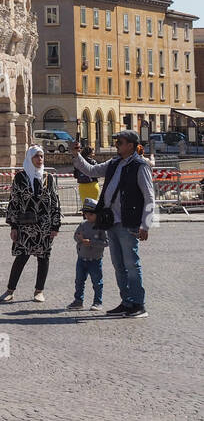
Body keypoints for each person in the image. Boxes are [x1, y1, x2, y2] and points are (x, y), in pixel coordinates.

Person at [70, 131, 155, 318]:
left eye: (120, 142)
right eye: (116, 141)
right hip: (112, 222)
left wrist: (146, 225)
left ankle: (138, 304)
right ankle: (126, 302)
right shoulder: (114, 162)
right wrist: (76, 155)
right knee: (118, 265)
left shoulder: (140, 165)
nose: (116, 145)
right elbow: (91, 171)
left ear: (131, 145)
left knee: (132, 264)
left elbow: (149, 197)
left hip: (129, 222)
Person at [0, 145, 61, 303]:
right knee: (21, 257)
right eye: (36, 156)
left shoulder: (49, 178)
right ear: (29, 158)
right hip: (25, 225)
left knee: (43, 258)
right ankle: (10, 290)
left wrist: (55, 226)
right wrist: (13, 226)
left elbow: (55, 202)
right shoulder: (20, 178)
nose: (39, 160)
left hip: (44, 225)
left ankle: (39, 291)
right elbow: (14, 202)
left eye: (41, 156)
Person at [66, 198, 107, 311]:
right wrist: (79, 239)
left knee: (97, 282)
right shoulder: (83, 224)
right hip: (81, 258)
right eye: (85, 214)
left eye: (91, 214)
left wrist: (92, 243)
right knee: (79, 281)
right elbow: (75, 235)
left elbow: (106, 242)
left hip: (95, 259)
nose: (88, 216)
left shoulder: (101, 227)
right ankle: (78, 301)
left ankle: (97, 302)